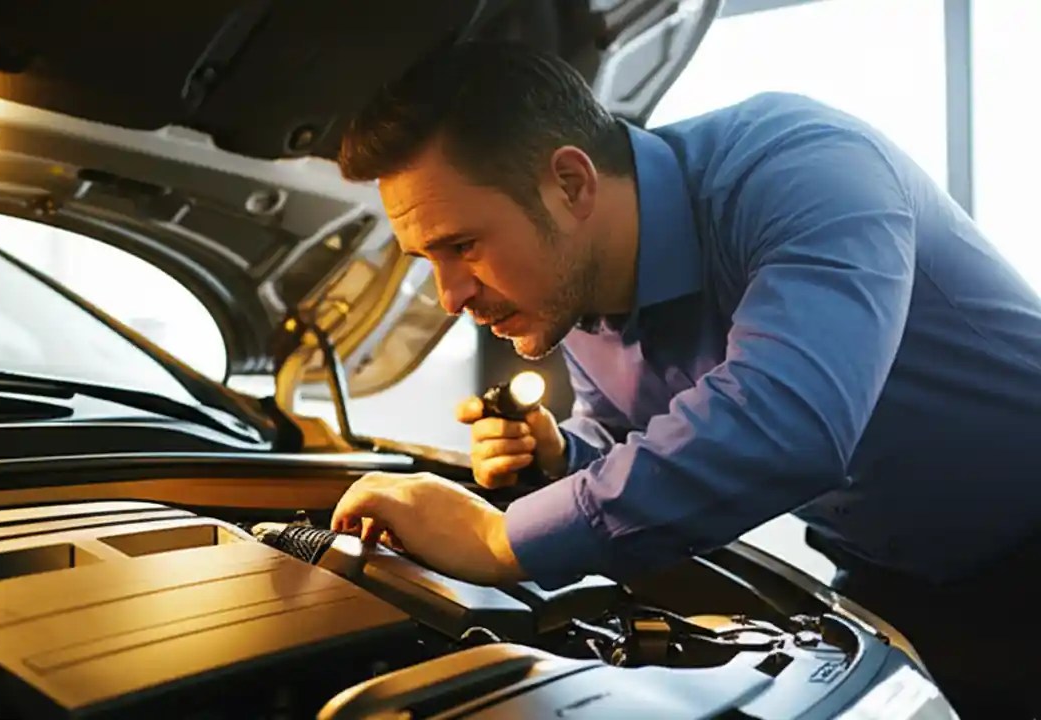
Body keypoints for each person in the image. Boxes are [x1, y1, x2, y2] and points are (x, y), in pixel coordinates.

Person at [327, 41, 1041, 718]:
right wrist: (559, 455)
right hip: (892, 582)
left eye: (462, 245)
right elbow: (624, 436)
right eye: (428, 258)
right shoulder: (575, 293)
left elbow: (789, 422)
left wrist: (499, 541)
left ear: (570, 184)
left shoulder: (805, 166)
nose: (449, 296)